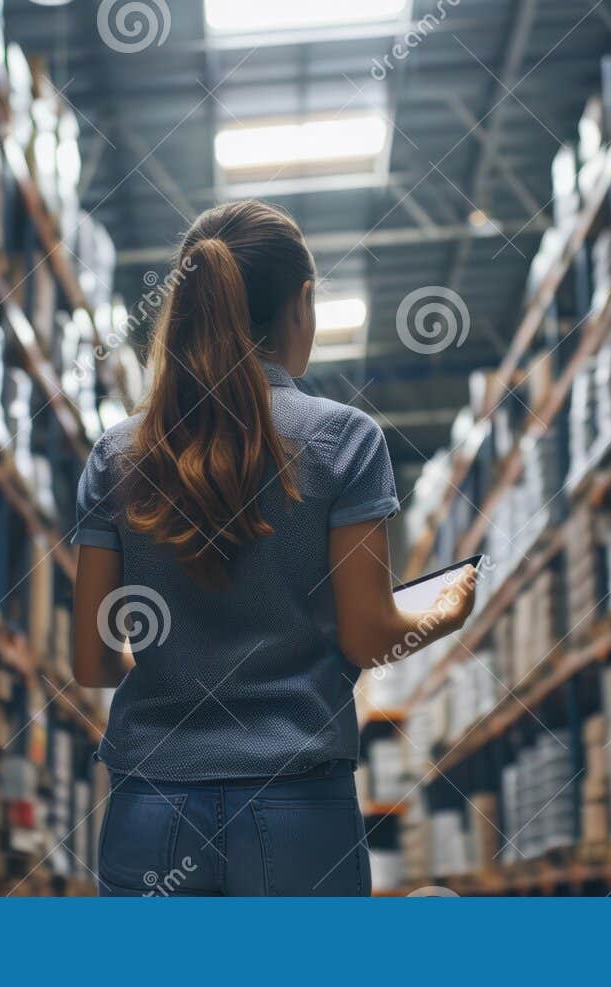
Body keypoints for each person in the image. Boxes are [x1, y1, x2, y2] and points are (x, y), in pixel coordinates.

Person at [69, 200, 478, 896]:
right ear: (303, 303)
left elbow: (90, 659)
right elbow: (370, 634)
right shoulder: (346, 441)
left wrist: (183, 659)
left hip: (151, 804)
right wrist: (445, 609)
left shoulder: (119, 454)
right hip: (297, 806)